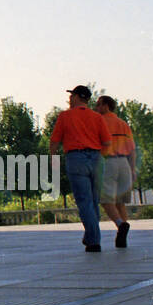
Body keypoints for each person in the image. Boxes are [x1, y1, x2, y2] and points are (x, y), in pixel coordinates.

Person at [49, 85, 111, 251]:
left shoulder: (65, 116)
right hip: (96, 158)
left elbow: (55, 140)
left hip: (76, 158)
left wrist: (53, 159)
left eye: (71, 96)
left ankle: (93, 241)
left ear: (76, 97)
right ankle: (91, 235)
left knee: (84, 201)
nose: (69, 99)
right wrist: (98, 155)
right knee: (93, 201)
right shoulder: (97, 117)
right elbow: (107, 142)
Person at [96, 95, 136, 248]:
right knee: (120, 202)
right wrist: (132, 170)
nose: (96, 108)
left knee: (106, 200)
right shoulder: (123, 124)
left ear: (106, 106)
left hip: (109, 162)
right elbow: (132, 149)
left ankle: (121, 225)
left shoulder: (100, 122)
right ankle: (123, 232)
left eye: (98, 105)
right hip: (124, 163)